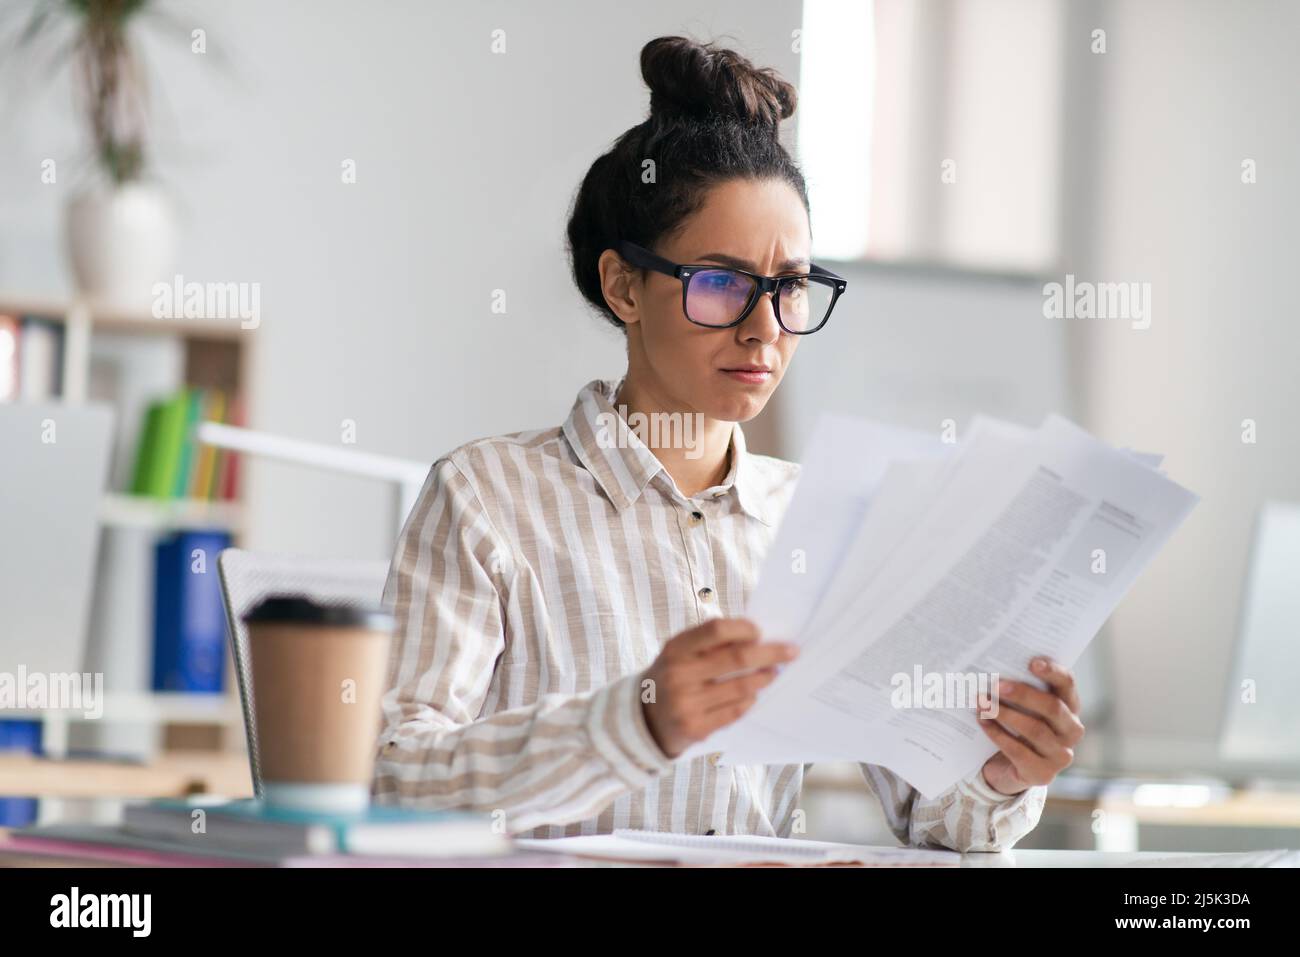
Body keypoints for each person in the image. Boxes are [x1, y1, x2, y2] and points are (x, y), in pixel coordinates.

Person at [372, 35, 1084, 849]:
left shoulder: (822, 519)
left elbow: (932, 817)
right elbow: (392, 776)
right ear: (622, 284)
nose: (764, 329)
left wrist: (1000, 773)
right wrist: (632, 722)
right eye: (720, 283)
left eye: (790, 287)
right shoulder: (485, 496)